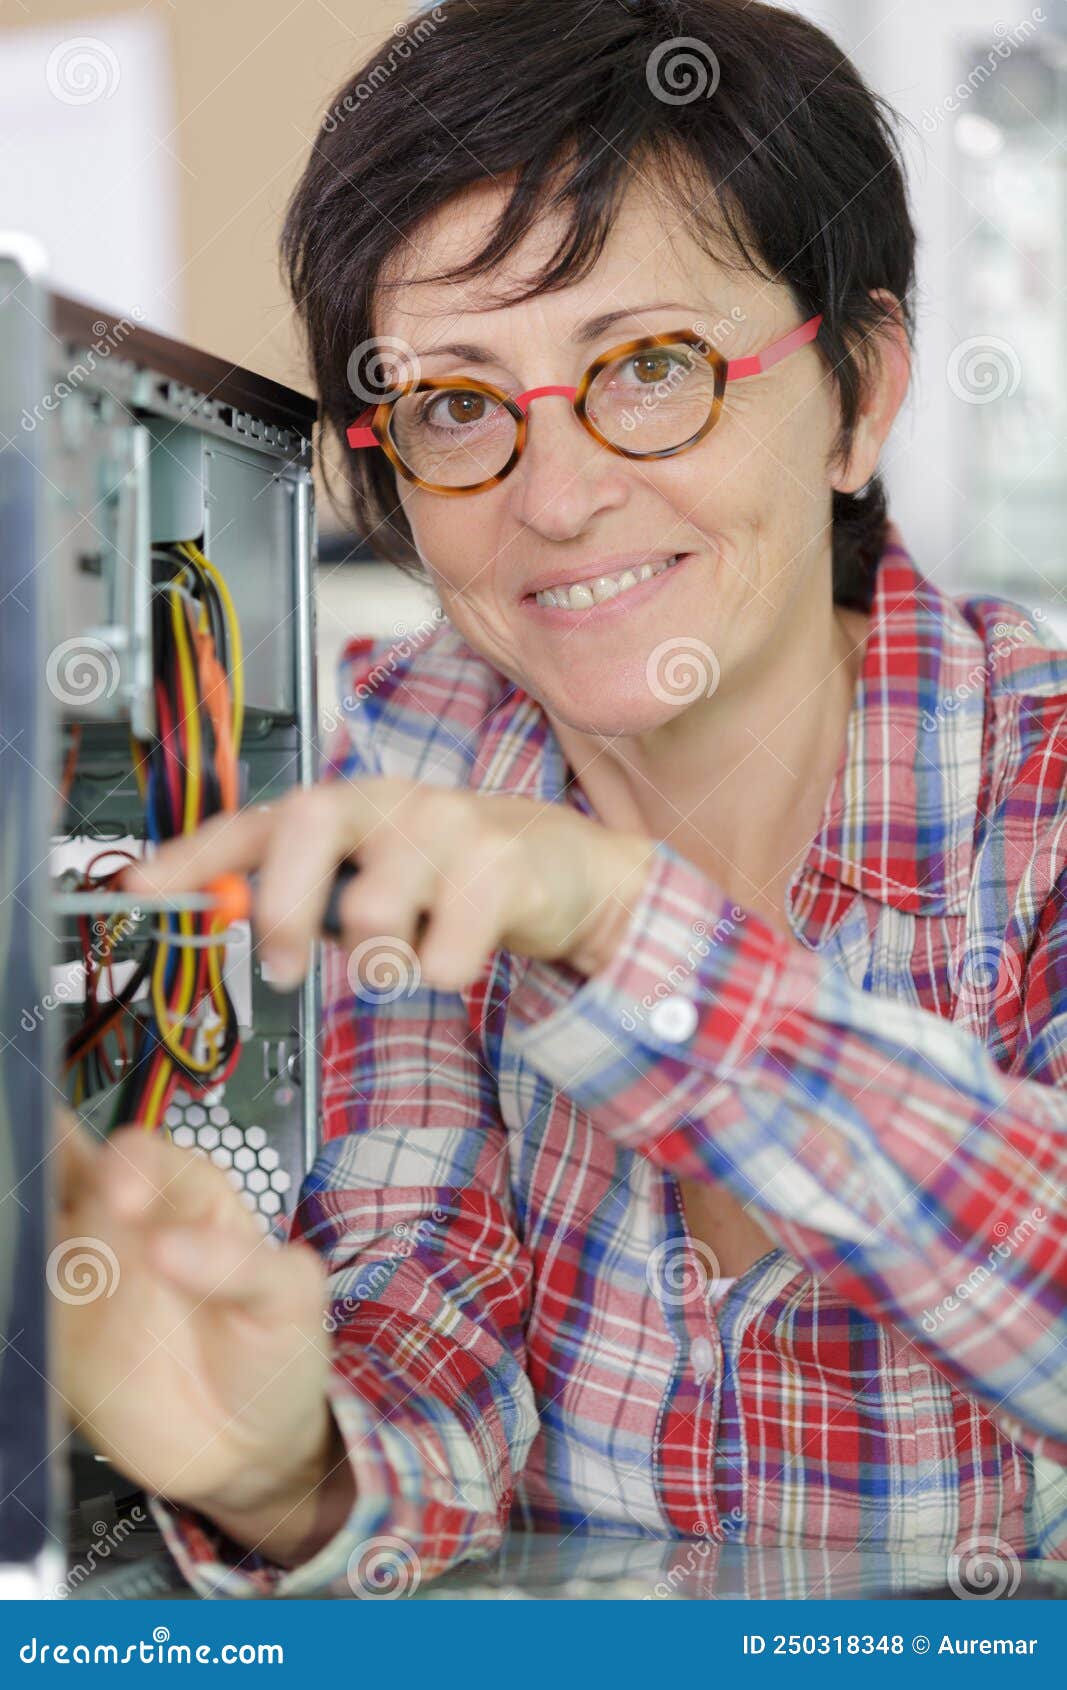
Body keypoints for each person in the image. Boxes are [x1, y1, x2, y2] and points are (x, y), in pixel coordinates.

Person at [56, 0, 1067, 1600]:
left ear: (861, 394)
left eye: (650, 367)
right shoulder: (397, 775)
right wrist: (284, 1464)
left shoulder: (1041, 785)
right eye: (459, 405)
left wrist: (610, 916)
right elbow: (421, 1309)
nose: (559, 492)